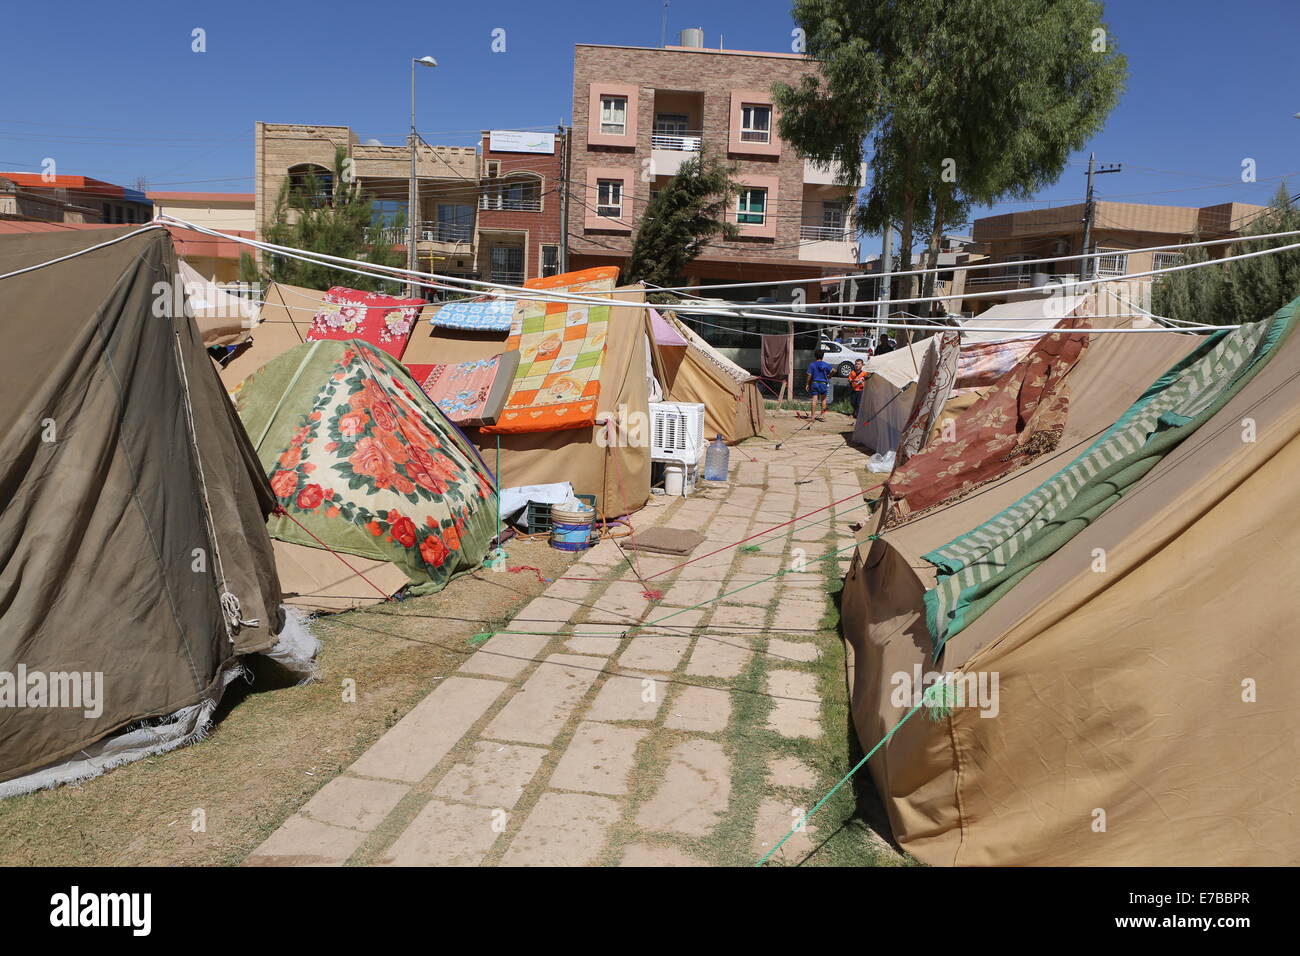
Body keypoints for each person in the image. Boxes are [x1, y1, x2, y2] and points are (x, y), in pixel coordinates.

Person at [806, 353, 834, 420]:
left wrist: (807, 383)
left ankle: (812, 416)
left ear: (815, 356)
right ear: (823, 356)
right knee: (823, 400)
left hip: (815, 383)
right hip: (823, 384)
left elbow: (809, 375)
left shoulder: (812, 364)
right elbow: (834, 370)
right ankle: (822, 416)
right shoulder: (825, 364)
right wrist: (830, 375)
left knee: (814, 400)